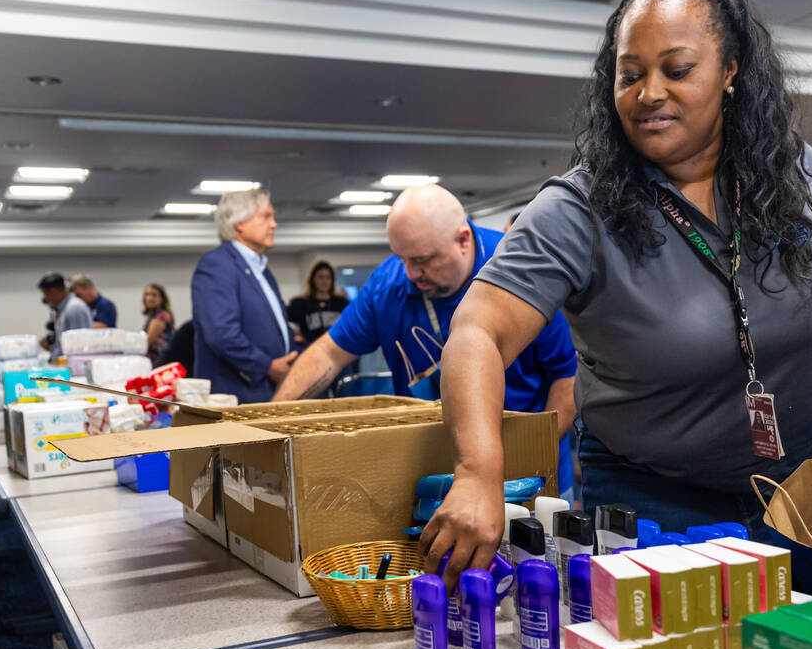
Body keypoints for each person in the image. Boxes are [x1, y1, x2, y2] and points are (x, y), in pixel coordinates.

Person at [420, 0, 812, 587]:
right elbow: (477, 333)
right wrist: (478, 472)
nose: (648, 92)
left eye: (676, 70)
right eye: (630, 74)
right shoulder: (578, 209)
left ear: (730, 72)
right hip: (657, 502)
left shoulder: (793, 170)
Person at [274, 185, 579, 498]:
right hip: (430, 473)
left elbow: (567, 376)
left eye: (422, 260)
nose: (410, 273)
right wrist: (271, 426)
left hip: (527, 472)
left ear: (463, 240)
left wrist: (520, 460)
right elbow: (328, 354)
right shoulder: (388, 283)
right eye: (402, 258)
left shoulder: (521, 271)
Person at [191, 189, 298, 403]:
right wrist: (266, 367)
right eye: (266, 216)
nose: (274, 224)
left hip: (271, 391)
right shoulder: (217, 265)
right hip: (237, 396)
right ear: (238, 223)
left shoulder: (263, 270)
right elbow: (222, 334)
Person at [287, 261, 348, 347]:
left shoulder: (341, 303)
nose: (325, 281)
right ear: (312, 279)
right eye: (321, 277)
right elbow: (283, 321)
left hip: (338, 351)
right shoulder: (300, 303)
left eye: (328, 277)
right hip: (311, 351)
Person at [38, 273, 93, 360]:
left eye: (46, 294)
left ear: (54, 291)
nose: (46, 299)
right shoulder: (64, 308)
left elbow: (77, 346)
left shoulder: (74, 308)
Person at [142, 283, 175, 366]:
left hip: (159, 361)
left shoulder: (161, 317)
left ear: (162, 299)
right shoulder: (151, 316)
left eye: (154, 295)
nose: (150, 298)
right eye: (147, 295)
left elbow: (147, 342)